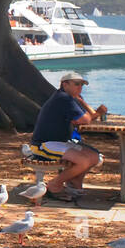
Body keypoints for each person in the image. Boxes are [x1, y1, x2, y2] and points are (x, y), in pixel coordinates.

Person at [29, 70, 107, 201]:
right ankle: (54, 185)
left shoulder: (69, 99)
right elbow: (85, 120)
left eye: (82, 85)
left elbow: (82, 119)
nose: (80, 87)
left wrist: (87, 108)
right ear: (65, 84)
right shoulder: (63, 98)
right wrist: (89, 107)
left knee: (94, 157)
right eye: (77, 84)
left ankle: (74, 184)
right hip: (44, 144)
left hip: (61, 142)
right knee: (83, 161)